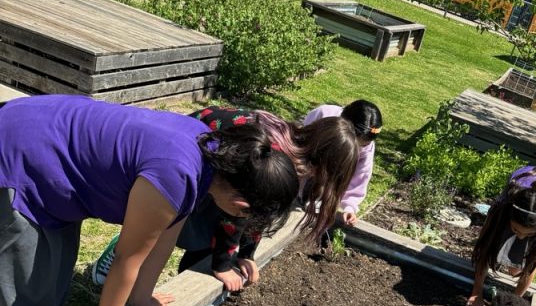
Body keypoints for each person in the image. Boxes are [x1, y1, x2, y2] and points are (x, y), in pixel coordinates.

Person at [0, 94, 298, 306]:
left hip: (52, 158)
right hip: (21, 156)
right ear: (241, 206)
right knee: (21, 305)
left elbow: (164, 240)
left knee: (50, 282)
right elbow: (127, 258)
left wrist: (142, 298)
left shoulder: (208, 155)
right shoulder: (176, 174)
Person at [92, 105, 359, 292]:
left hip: (220, 170)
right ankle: (124, 249)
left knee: (205, 228)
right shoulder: (277, 154)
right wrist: (221, 264)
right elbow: (240, 213)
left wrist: (246, 254)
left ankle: (175, 267)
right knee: (174, 218)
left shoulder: (296, 156)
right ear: (322, 160)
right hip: (193, 154)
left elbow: (256, 214)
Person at [468, 166, 536, 306]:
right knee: (503, 248)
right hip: (517, 193)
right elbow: (485, 249)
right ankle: (516, 243)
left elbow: (532, 266)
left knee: (517, 268)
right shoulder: (501, 209)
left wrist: (512, 303)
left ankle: (518, 258)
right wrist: (476, 292)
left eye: (529, 234)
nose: (522, 236)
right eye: (515, 229)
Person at [303, 99, 383, 226]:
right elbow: (301, 145)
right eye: (357, 143)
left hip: (330, 176)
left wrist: (349, 207)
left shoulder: (367, 146)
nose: (358, 148)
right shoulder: (323, 115)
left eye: (364, 145)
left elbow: (360, 177)